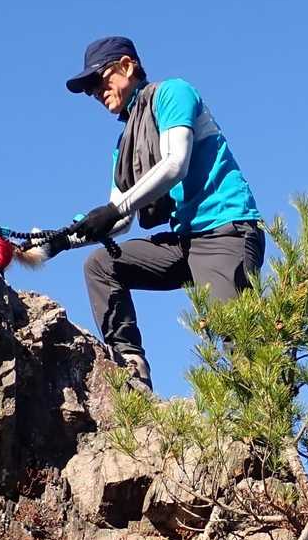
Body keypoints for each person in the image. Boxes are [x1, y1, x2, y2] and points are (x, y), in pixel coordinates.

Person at [54, 36, 266, 393]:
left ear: (126, 66)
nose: (95, 92)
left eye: (98, 80)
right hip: (186, 242)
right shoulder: (125, 144)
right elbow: (119, 219)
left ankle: (262, 415)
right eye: (89, 89)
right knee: (101, 266)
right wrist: (58, 242)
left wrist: (113, 210)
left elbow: (174, 164)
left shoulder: (172, 94)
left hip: (224, 232)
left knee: (240, 341)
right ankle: (130, 369)